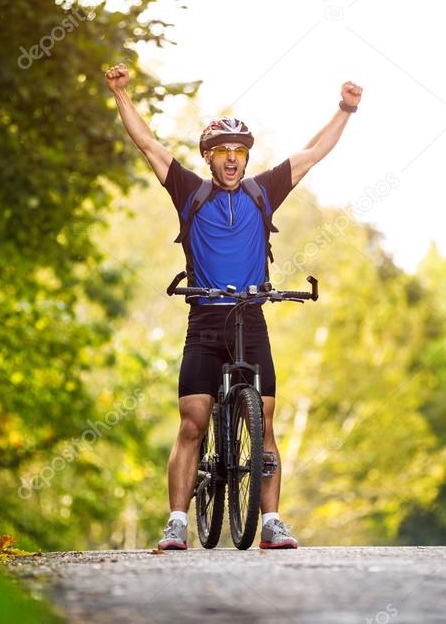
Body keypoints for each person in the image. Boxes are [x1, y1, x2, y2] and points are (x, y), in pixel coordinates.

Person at [105, 62, 362, 550]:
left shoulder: (263, 192)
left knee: (263, 423)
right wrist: (121, 95)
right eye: (221, 151)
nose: (230, 159)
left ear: (246, 159)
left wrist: (345, 109)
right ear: (208, 157)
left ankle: (271, 523)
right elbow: (149, 146)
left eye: (238, 152)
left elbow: (312, 154)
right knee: (192, 423)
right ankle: (177, 522)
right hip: (203, 321)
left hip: (251, 318)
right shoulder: (189, 191)